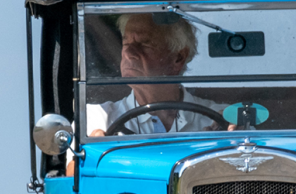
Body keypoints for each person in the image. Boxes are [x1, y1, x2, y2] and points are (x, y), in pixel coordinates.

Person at [87, 13, 224, 135]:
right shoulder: (98, 118)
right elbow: (72, 164)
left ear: (178, 58)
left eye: (145, 44)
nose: (129, 53)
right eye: (125, 42)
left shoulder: (218, 118)